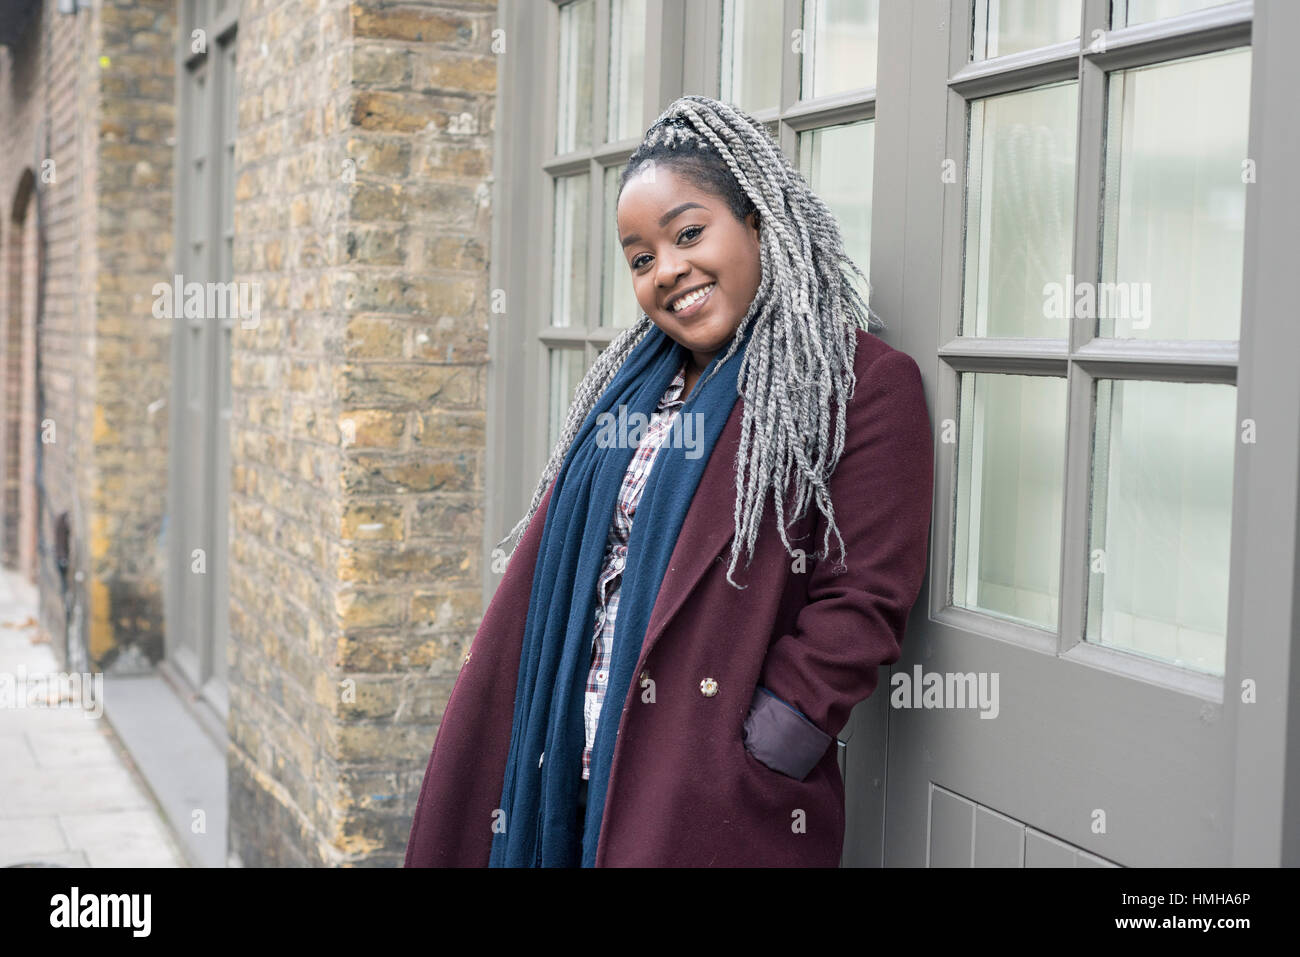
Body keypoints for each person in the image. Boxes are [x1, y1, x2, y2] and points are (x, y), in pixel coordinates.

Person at [404, 94, 934, 867]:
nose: (668, 270)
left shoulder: (859, 385)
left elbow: (864, 599)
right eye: (642, 257)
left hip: (697, 792)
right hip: (568, 763)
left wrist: (764, 740)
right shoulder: (632, 389)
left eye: (689, 233)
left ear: (758, 223)